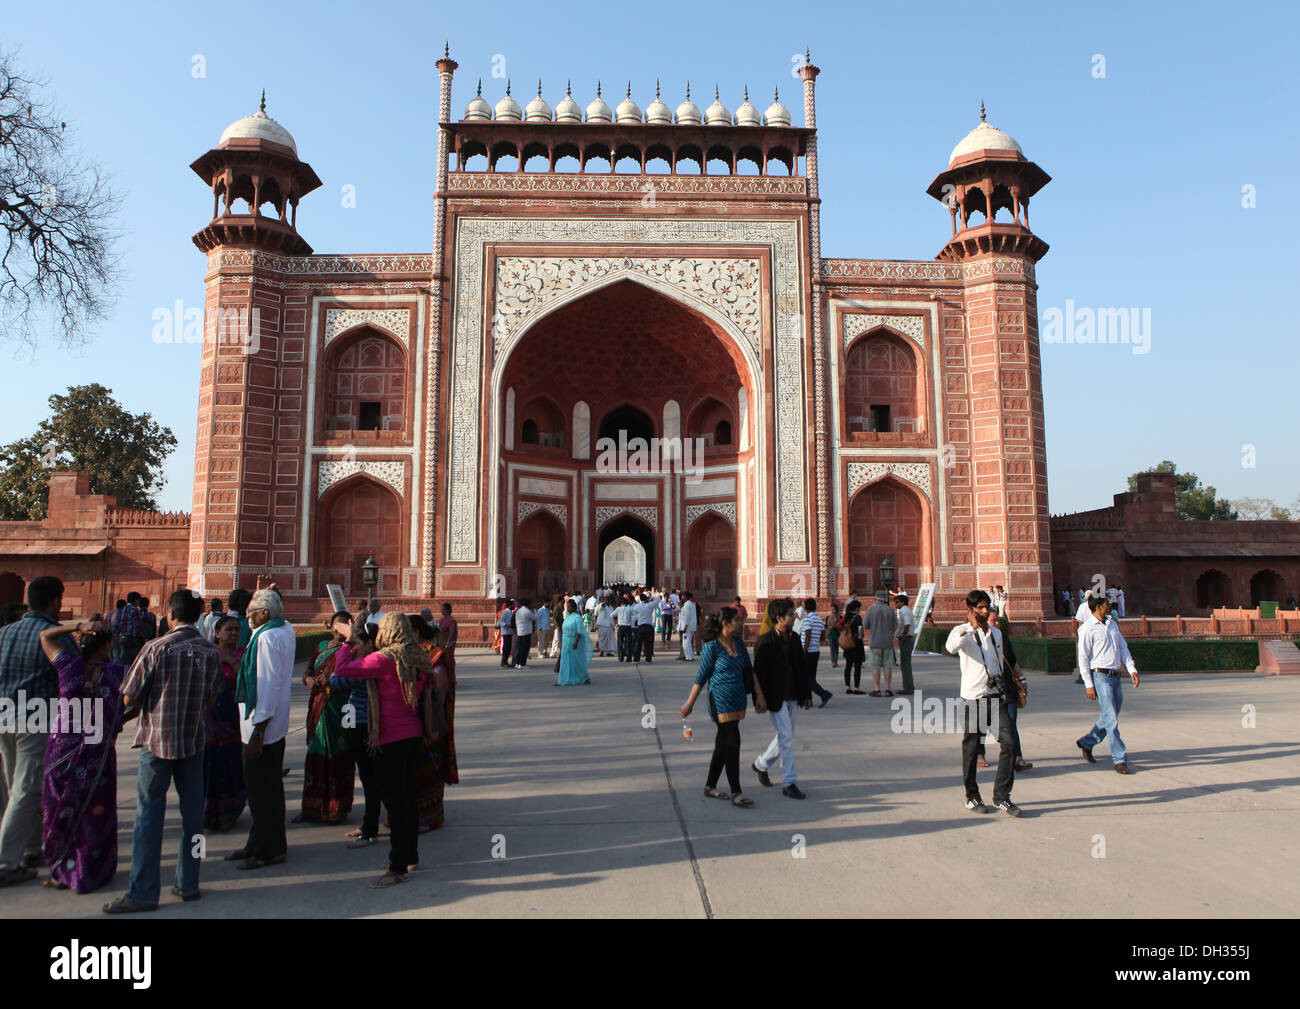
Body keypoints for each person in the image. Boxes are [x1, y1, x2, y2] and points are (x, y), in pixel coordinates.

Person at [104, 590, 223, 912]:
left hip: (157, 742)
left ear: (170, 614)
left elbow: (129, 698)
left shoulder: (156, 647)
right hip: (194, 741)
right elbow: (212, 700)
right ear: (198, 616)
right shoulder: (210, 652)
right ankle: (189, 883)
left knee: (148, 818)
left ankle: (142, 892)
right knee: (193, 818)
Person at [332, 614, 437, 886]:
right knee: (407, 799)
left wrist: (348, 642)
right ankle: (409, 856)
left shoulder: (384, 659)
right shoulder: (418, 656)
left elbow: (342, 670)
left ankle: (398, 866)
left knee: (396, 803)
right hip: (413, 734)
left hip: (388, 738)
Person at [39, 620, 129, 893]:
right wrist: (118, 720)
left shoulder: (68, 667)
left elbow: (45, 635)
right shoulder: (119, 673)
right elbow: (142, 698)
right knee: (95, 814)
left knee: (58, 812)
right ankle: (91, 870)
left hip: (61, 753)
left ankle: (59, 871)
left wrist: (77, 624)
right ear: (107, 646)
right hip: (97, 755)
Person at [0, 576, 73, 887]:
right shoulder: (54, 636)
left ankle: (31, 848)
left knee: (15, 783)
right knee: (26, 788)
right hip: (33, 718)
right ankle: (4, 862)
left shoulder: (4, 632)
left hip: (3, 714)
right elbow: (72, 675)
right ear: (56, 602)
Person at [228, 588, 295, 871]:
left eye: (251, 614)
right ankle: (257, 842)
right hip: (272, 726)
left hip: (261, 728)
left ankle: (270, 850)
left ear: (264, 614)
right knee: (267, 789)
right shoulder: (284, 629)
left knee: (261, 792)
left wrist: (258, 732)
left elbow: (267, 685)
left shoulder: (267, 637)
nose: (248, 619)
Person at [945, 589, 1020, 817]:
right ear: (970, 610)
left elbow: (999, 663)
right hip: (973, 698)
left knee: (1009, 743)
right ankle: (972, 795)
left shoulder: (996, 634)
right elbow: (950, 648)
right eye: (980, 608)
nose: (985, 611)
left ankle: (1001, 796)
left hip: (995, 696)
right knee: (971, 749)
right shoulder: (961, 631)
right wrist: (971, 629)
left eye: (987, 607)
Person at [680, 607, 758, 808]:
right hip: (720, 699)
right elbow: (702, 677)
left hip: (738, 698)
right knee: (733, 741)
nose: (741, 623)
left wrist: (760, 696)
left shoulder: (739, 643)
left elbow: (750, 670)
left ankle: (710, 785)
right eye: (738, 620)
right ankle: (737, 792)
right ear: (726, 623)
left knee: (722, 745)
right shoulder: (712, 646)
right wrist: (689, 703)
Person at [295, 612, 356, 824]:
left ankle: (335, 808)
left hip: (339, 708)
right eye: (336, 626)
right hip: (318, 706)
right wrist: (309, 680)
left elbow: (355, 678)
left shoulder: (353, 650)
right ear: (330, 627)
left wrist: (331, 681)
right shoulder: (322, 647)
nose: (339, 630)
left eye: (343, 626)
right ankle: (311, 808)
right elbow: (307, 671)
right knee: (316, 753)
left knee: (339, 755)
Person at [751, 598, 812, 799]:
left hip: (793, 694)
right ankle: (789, 782)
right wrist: (759, 698)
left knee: (785, 736)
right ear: (779, 618)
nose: (794, 616)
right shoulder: (765, 641)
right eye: (790, 614)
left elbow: (801, 667)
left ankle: (761, 764)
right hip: (775, 697)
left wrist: (806, 694)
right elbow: (757, 673)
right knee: (786, 738)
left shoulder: (794, 638)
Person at [330, 623, 383, 848]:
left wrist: (346, 644)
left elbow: (337, 678)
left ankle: (370, 829)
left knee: (370, 778)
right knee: (370, 777)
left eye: (359, 644)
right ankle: (369, 824)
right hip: (358, 720)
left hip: (364, 724)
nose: (356, 648)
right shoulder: (374, 661)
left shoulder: (367, 665)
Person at [1075, 594, 1140, 774]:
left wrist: (1131, 669)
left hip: (1115, 675)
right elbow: (1083, 657)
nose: (1109, 605)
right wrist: (1088, 683)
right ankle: (1119, 759)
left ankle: (1087, 742)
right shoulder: (1088, 629)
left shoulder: (1112, 623)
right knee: (1111, 718)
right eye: (1106, 604)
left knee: (1110, 716)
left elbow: (1123, 648)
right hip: (1100, 676)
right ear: (1097, 607)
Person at [411, 621, 457, 831]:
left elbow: (442, 686)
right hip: (410, 720)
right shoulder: (411, 652)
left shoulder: (433, 653)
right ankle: (410, 815)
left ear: (416, 631)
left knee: (428, 766)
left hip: (428, 720)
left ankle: (429, 816)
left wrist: (430, 716)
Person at [204, 615, 247, 831]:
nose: (233, 634)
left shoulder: (244, 654)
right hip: (210, 722)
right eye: (228, 630)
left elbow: (248, 683)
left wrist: (231, 662)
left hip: (235, 719)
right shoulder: (208, 654)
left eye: (236, 630)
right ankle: (209, 812)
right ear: (217, 633)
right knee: (212, 767)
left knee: (232, 765)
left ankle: (230, 811)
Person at [865, 590, 898, 696]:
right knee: (888, 666)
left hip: (875, 641)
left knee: (876, 666)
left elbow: (865, 625)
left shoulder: (871, 609)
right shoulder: (890, 610)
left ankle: (877, 689)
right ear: (885, 599)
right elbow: (895, 627)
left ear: (876, 598)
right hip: (887, 642)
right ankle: (888, 690)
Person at [799, 598, 831, 707]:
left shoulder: (808, 620)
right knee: (811, 677)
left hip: (807, 651)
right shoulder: (819, 620)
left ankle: (824, 694)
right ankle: (809, 700)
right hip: (815, 651)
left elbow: (807, 637)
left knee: (806, 677)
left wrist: (803, 652)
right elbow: (823, 637)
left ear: (805, 608)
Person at [557, 600, 593, 686]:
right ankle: (563, 679)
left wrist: (576, 642)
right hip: (566, 641)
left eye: (569, 606)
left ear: (574, 607)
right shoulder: (567, 617)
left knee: (577, 661)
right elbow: (563, 630)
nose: (568, 608)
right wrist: (561, 641)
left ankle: (584, 677)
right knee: (565, 660)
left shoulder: (577, 617)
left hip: (574, 641)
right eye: (567, 606)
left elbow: (580, 631)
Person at [841, 599, 866, 693]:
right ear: (856, 608)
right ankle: (856, 688)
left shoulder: (846, 617)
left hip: (848, 643)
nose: (860, 609)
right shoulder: (858, 618)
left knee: (848, 665)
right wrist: (861, 636)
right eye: (859, 608)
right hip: (856, 644)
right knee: (857, 666)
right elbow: (860, 629)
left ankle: (847, 686)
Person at [894, 592, 916, 695]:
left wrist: (903, 635)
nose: (895, 604)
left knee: (905, 665)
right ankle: (908, 686)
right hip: (908, 638)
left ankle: (908, 688)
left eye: (897, 602)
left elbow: (907, 624)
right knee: (906, 664)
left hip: (906, 639)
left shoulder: (904, 611)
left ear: (903, 602)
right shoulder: (906, 611)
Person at [631, 592, 656, 663]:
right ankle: (648, 659)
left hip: (640, 627)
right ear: (646, 598)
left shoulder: (637, 606)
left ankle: (636, 659)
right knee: (649, 644)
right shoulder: (650, 605)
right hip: (649, 627)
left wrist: (635, 621)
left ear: (640, 599)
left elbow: (633, 615)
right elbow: (658, 600)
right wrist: (651, 596)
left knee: (638, 644)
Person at [512, 598, 535, 669]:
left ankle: (518, 663)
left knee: (519, 649)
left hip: (520, 632)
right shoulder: (527, 611)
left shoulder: (518, 611)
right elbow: (535, 618)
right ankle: (522, 664)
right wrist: (535, 611)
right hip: (526, 632)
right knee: (524, 649)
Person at [438, 603, 459, 682]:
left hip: (449, 645)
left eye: (443, 609)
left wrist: (448, 643)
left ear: (448, 611)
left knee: (449, 662)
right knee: (443, 662)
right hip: (442, 644)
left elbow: (451, 633)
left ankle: (452, 679)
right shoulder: (442, 620)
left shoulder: (452, 621)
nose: (441, 611)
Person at [677, 591, 698, 662]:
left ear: (686, 597)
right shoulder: (691, 604)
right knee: (688, 641)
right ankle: (690, 656)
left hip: (687, 626)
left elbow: (687, 616)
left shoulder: (687, 605)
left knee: (686, 642)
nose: (682, 597)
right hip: (690, 625)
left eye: (683, 596)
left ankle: (689, 657)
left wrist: (685, 626)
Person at [616, 594, 635, 662]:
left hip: (621, 627)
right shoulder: (630, 608)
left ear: (621, 603)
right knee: (628, 643)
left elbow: (612, 615)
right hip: (628, 627)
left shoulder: (619, 609)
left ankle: (620, 658)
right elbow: (634, 616)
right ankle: (628, 658)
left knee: (620, 643)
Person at [498, 598, 516, 668]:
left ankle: (506, 661)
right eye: (513, 605)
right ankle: (503, 662)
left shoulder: (511, 612)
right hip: (506, 632)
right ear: (509, 605)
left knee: (508, 648)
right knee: (506, 648)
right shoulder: (505, 612)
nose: (514, 606)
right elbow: (501, 621)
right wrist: (506, 625)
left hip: (509, 632)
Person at [826, 602, 842, 668]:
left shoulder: (840, 617)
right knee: (832, 649)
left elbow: (842, 626)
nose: (832, 610)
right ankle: (833, 662)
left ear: (836, 610)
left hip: (838, 634)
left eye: (834, 609)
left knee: (836, 649)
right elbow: (826, 626)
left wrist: (836, 625)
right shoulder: (828, 617)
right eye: (831, 609)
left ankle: (835, 661)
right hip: (831, 634)